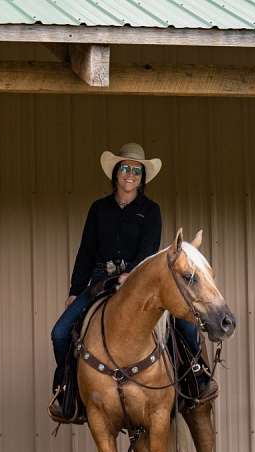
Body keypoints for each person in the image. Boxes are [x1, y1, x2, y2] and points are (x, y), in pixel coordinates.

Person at [49, 143, 216, 421]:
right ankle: (67, 391)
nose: (130, 174)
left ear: (142, 177)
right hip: (102, 281)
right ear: (115, 173)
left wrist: (132, 275)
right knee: (60, 333)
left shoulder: (150, 210)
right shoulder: (99, 209)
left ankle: (198, 376)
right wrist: (75, 291)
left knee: (184, 322)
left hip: (139, 282)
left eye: (136, 171)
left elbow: (149, 249)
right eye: (125, 168)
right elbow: (86, 251)